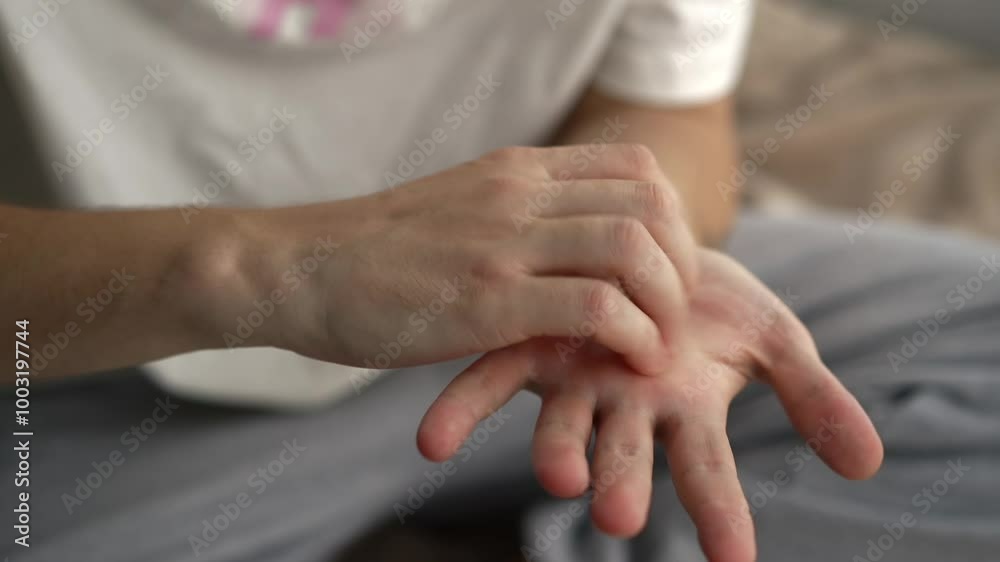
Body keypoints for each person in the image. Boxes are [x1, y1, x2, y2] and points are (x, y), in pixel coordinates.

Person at [1, 1, 998, 561]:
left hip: (516, 329)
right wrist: (258, 269)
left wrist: (645, 269)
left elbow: (669, 110)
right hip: (106, 361)